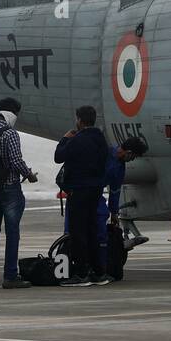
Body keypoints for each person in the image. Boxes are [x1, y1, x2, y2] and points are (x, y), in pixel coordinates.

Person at [0, 96, 38, 289]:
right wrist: (29, 174)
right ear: (12, 114)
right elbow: (15, 160)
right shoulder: (10, 134)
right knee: (12, 233)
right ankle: (10, 276)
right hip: (9, 189)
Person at [54, 105, 111, 286]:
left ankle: (81, 273)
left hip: (79, 189)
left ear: (79, 120)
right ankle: (99, 272)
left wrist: (64, 139)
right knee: (92, 229)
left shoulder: (77, 140)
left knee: (78, 232)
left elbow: (59, 156)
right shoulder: (101, 139)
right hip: (95, 189)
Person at [105, 135, 149, 256]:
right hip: (85, 190)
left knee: (102, 214)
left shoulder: (120, 167)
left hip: (94, 193)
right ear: (128, 152)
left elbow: (115, 191)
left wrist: (114, 213)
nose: (132, 160)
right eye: (133, 157)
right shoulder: (105, 152)